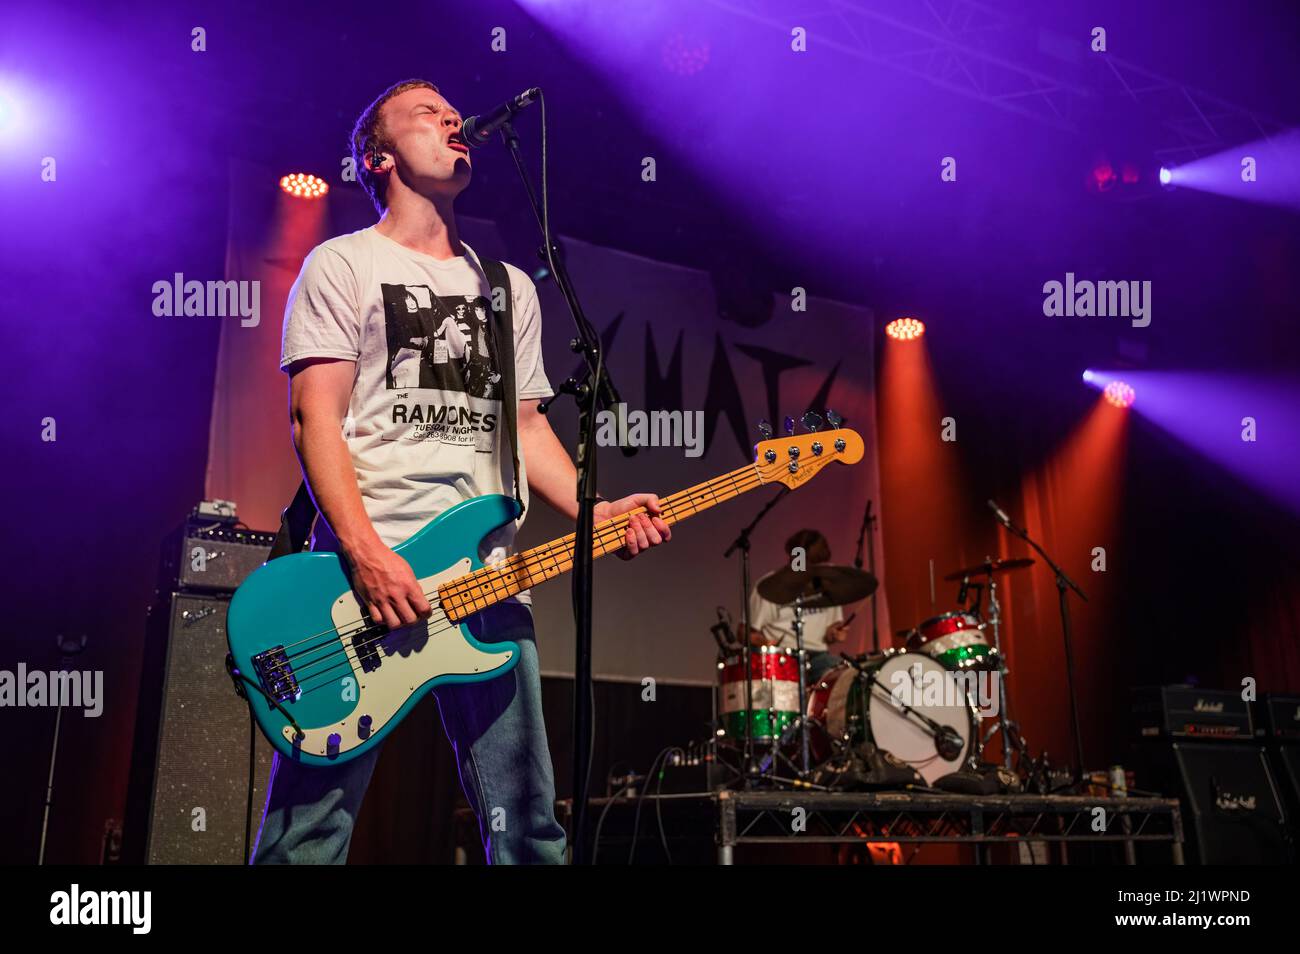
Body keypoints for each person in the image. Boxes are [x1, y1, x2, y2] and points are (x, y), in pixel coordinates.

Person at [253, 79, 671, 865]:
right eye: (425, 113)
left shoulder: (507, 286)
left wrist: (599, 513)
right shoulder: (342, 263)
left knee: (531, 832)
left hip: (486, 584)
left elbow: (526, 427)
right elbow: (316, 419)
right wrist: (365, 554)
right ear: (376, 157)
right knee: (308, 836)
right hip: (360, 585)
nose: (452, 119)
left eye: (454, 113)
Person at [748, 529, 850, 685]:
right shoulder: (769, 586)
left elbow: (831, 630)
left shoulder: (826, 586)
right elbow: (745, 633)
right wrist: (764, 643)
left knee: (846, 677)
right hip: (783, 658)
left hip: (818, 657)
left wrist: (835, 633)